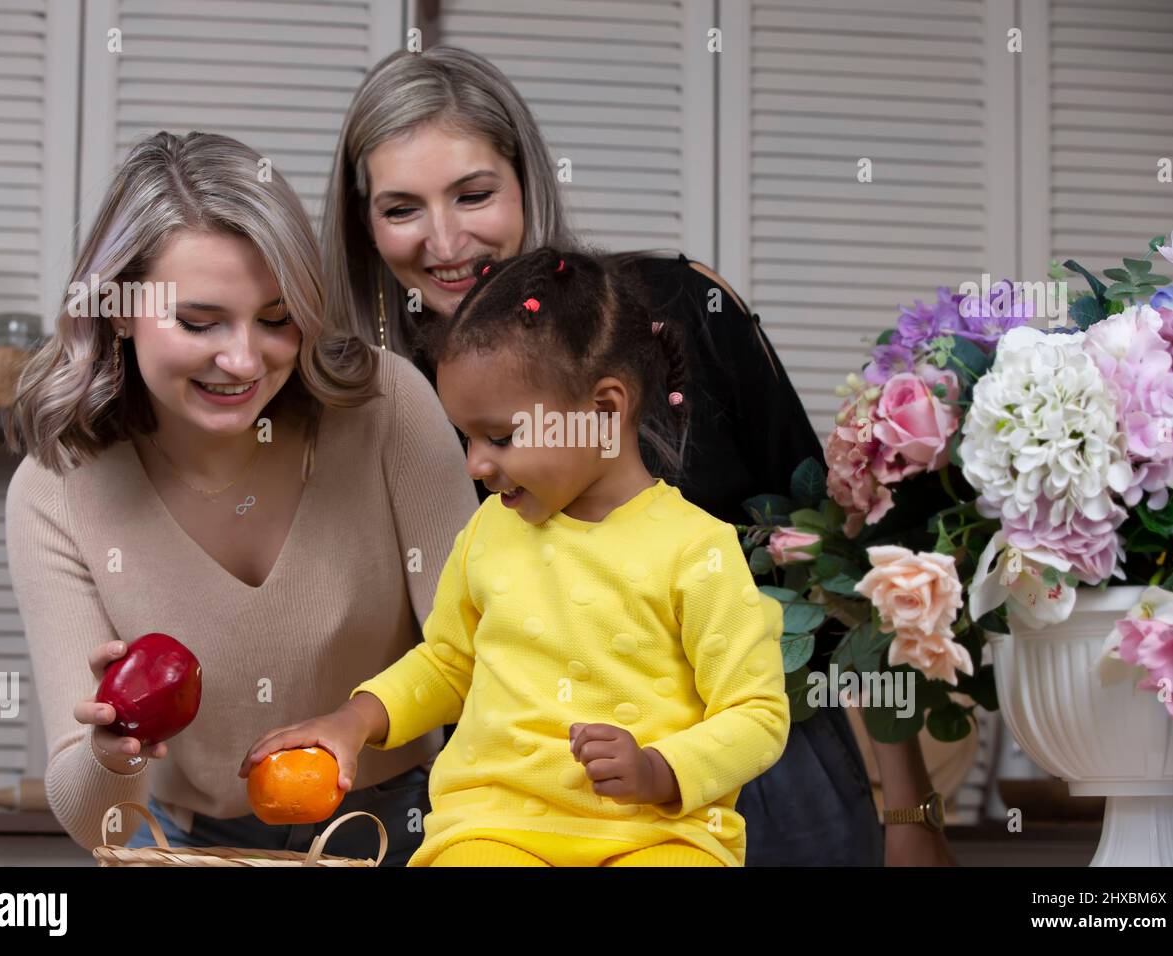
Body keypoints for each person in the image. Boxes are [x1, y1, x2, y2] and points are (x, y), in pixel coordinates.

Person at [317, 46, 955, 865]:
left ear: (525, 181)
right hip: (533, 804)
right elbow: (439, 651)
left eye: (473, 194)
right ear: (362, 223)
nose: (445, 240)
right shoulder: (375, 399)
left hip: (762, 770)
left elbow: (832, 566)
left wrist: (910, 812)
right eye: (402, 208)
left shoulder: (681, 309)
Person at [4, 131, 475, 865]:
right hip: (199, 850)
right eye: (199, 322)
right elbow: (101, 825)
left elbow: (478, 657)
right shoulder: (55, 492)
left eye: (277, 317)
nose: (244, 360)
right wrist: (114, 753)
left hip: (412, 827)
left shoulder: (386, 407)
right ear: (120, 310)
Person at [241, 247, 789, 866]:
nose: (476, 464)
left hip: (659, 835)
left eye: (501, 438)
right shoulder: (488, 533)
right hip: (493, 829)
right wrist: (354, 721)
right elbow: (448, 664)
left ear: (604, 411)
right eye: (468, 437)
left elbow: (758, 713)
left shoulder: (698, 550)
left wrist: (659, 770)